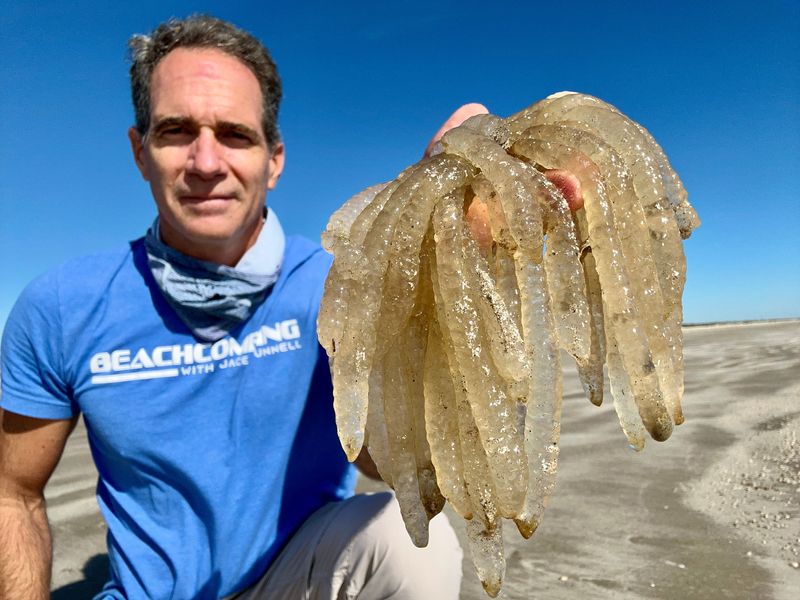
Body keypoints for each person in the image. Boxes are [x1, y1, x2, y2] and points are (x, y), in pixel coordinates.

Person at [0, 15, 582, 600]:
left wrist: (440, 274)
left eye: (235, 134)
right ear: (139, 149)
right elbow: (13, 492)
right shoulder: (62, 308)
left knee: (409, 547)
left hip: (299, 577)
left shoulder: (336, 288)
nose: (206, 163)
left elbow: (388, 465)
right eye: (177, 131)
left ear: (274, 158)